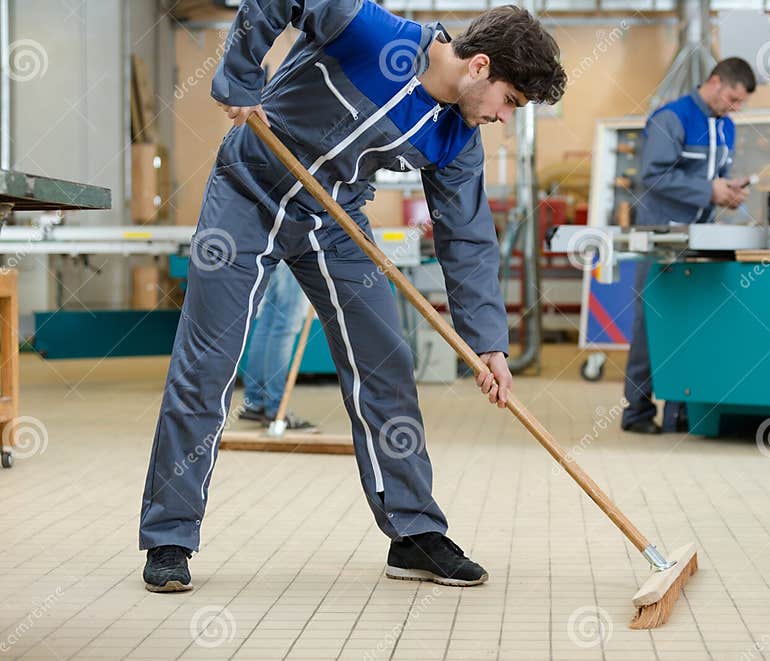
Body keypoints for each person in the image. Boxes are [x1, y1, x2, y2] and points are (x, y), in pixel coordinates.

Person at [140, 1, 565, 592]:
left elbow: (466, 240)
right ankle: (169, 536)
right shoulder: (371, 32)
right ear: (480, 67)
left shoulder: (457, 138)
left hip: (331, 217)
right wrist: (240, 73)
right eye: (510, 103)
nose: (503, 118)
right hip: (248, 191)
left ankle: (414, 532)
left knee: (385, 364)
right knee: (206, 363)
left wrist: (488, 342)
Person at [621, 58, 756, 434]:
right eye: (732, 97)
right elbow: (653, 176)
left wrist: (727, 192)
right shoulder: (671, 119)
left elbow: (717, 178)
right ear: (714, 82)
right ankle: (636, 411)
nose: (735, 107)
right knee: (652, 323)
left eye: (741, 102)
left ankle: (679, 414)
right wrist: (707, 189)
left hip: (702, 239)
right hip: (663, 236)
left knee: (691, 323)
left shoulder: (726, 127)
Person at [239, 261, 316, 431]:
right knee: (285, 321)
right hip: (295, 244)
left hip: (277, 245)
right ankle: (275, 409)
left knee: (270, 314)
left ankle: (255, 401)